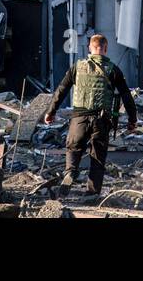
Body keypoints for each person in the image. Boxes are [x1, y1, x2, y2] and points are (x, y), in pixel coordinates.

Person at [43, 34, 137, 195]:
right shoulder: (113, 69)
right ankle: (92, 194)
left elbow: (61, 90)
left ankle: (71, 172)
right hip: (102, 120)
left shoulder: (77, 67)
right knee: (98, 158)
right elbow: (126, 96)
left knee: (73, 148)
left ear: (90, 48)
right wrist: (132, 120)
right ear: (105, 49)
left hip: (79, 118)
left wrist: (50, 112)